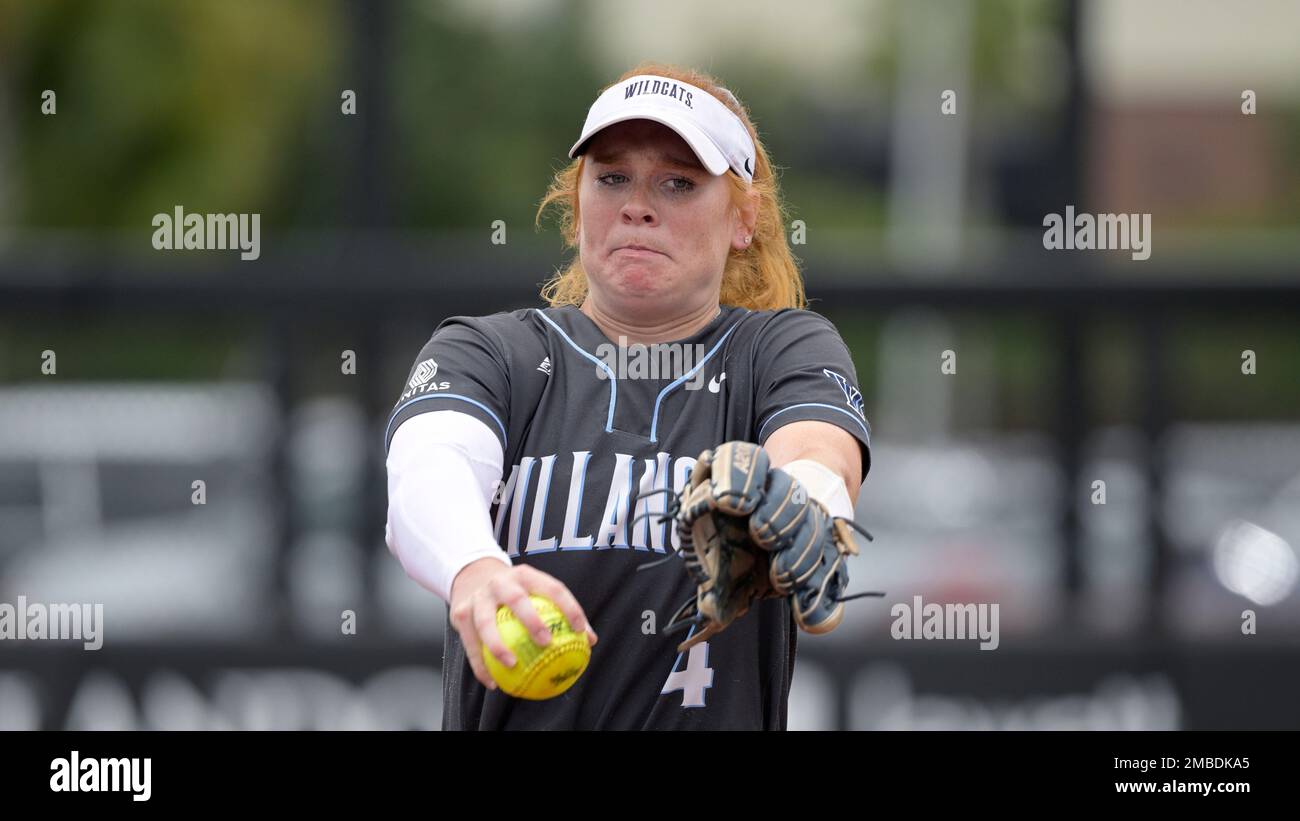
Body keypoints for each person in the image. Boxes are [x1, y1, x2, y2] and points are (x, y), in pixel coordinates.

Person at [384, 63, 872, 730]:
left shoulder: (775, 350)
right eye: (612, 176)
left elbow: (820, 452)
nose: (637, 204)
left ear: (743, 219)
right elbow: (427, 465)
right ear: (578, 202)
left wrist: (803, 503)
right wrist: (475, 571)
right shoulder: (495, 353)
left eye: (678, 182)